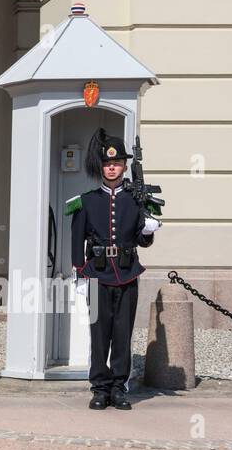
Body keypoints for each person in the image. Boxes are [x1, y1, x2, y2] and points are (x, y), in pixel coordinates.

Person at [67, 130, 161, 411]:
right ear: (101, 166)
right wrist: (80, 276)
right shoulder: (85, 201)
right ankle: (99, 388)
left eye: (117, 163)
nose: (112, 167)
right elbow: (75, 243)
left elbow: (143, 240)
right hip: (96, 275)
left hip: (127, 272)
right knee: (99, 335)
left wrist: (148, 230)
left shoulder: (135, 200)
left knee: (122, 334)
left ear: (123, 166)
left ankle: (119, 387)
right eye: (108, 163)